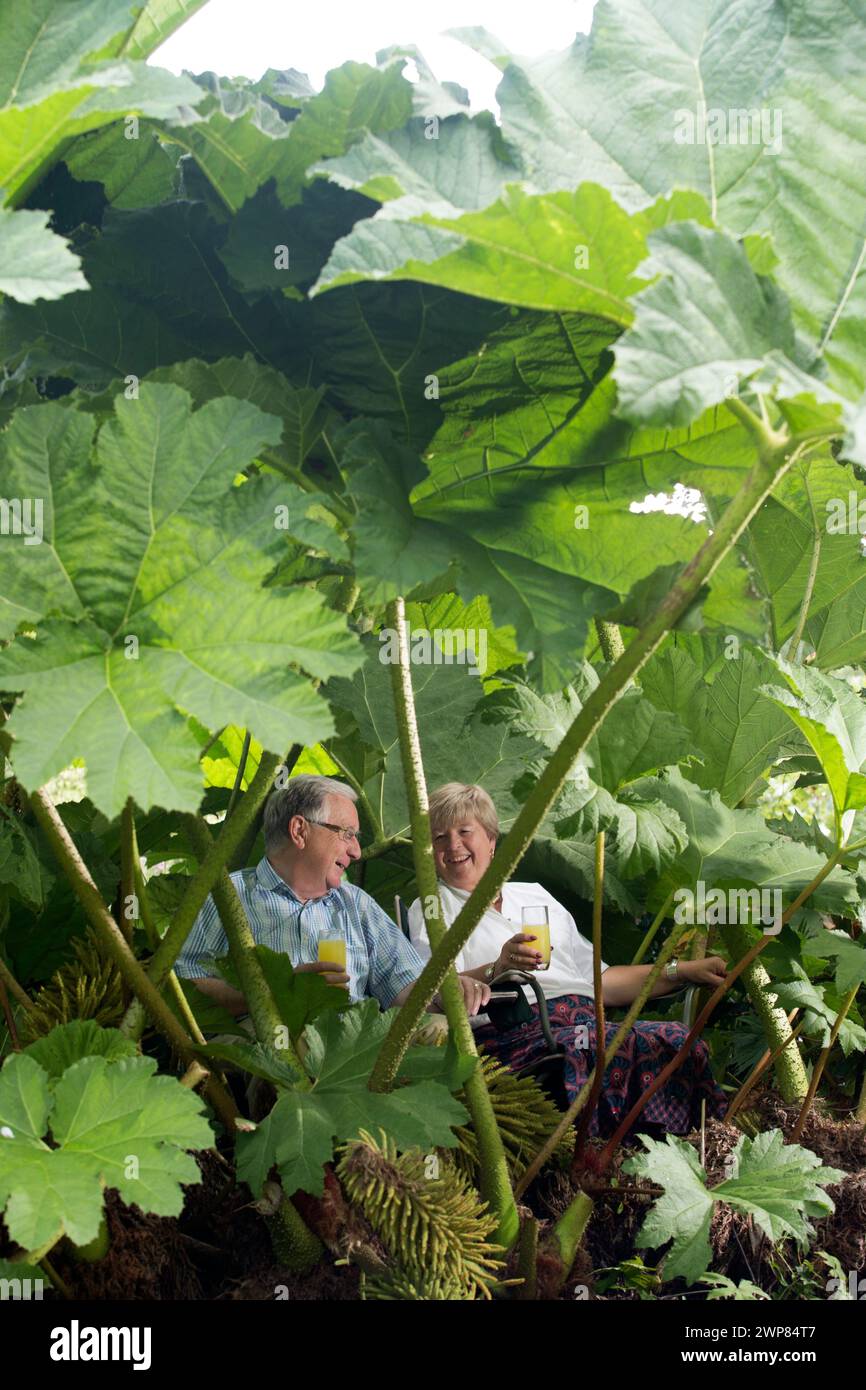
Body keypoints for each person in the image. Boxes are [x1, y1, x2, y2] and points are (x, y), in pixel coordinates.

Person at [408, 782, 729, 1137]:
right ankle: (600, 1158)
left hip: (587, 1018)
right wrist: (497, 968)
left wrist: (681, 971)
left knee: (675, 1038)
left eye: (464, 832)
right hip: (519, 1030)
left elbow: (603, 982)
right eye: (439, 837)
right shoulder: (432, 907)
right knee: (596, 1046)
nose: (452, 845)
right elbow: (432, 989)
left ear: (491, 840)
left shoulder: (534, 896)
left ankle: (696, 1150)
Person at [175, 775, 492, 1020]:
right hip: (264, 1043)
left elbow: (405, 987)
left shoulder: (356, 904)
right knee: (298, 1040)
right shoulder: (228, 896)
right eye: (347, 834)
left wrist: (442, 993)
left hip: (350, 1048)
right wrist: (275, 993)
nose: (356, 851)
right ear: (300, 831)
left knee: (437, 1031)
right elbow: (182, 988)